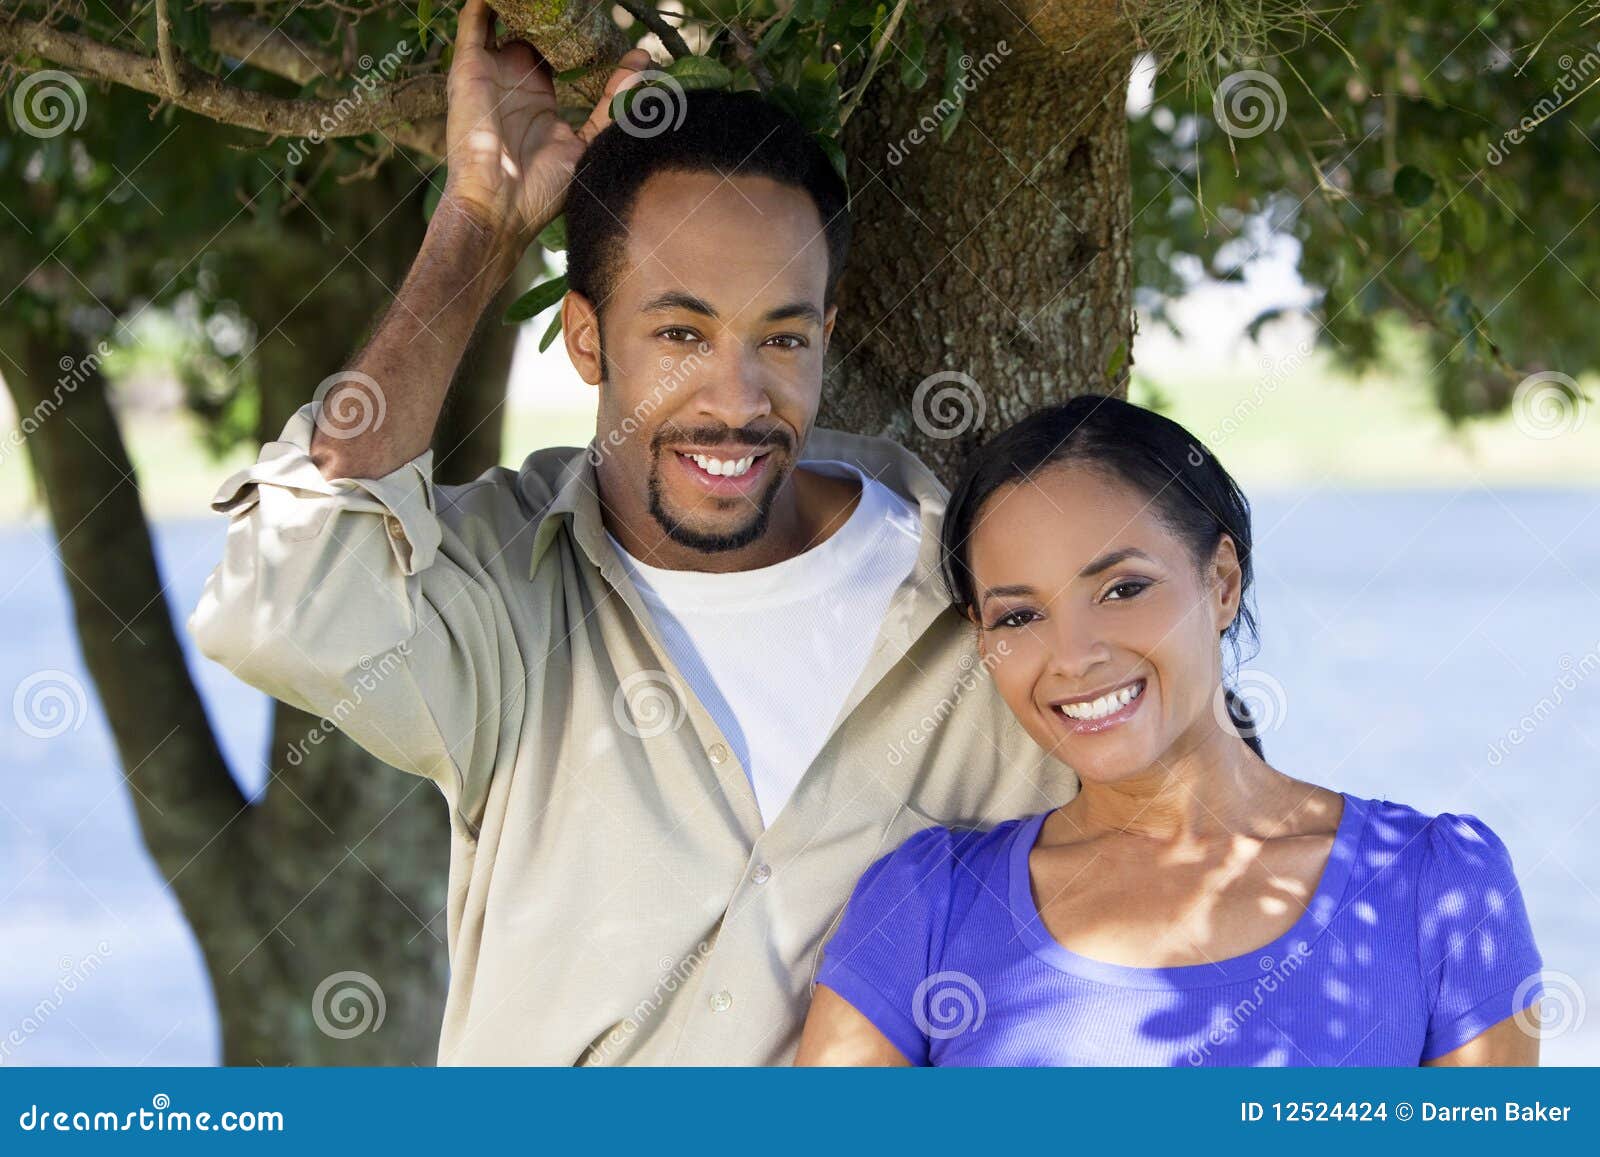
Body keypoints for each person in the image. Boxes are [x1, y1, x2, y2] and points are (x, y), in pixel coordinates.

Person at [186, 0, 1075, 1064]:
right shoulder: (504, 586)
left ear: (825, 334)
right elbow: (280, 608)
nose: (736, 399)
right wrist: (480, 221)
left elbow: (1184, 850)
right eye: (680, 332)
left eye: (781, 337)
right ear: (584, 337)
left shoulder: (987, 599)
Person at [796, 394, 1547, 1067]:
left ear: (1221, 581)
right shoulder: (926, 904)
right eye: (1019, 615)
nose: (1074, 656)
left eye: (1123, 588)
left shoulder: (1437, 889)